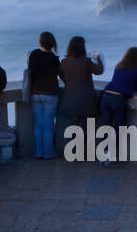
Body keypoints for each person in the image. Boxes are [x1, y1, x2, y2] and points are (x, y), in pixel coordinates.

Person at [58, 35, 104, 147]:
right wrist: (98, 58)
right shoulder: (86, 62)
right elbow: (99, 70)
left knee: (73, 127)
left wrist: (68, 82)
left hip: (70, 99)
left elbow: (60, 74)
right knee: (86, 128)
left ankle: (73, 151)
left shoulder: (64, 62)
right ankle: (84, 153)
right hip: (86, 101)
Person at [100, 47, 137, 164]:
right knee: (120, 128)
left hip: (106, 96)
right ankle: (111, 153)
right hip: (118, 98)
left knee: (107, 127)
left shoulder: (119, 65)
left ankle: (104, 153)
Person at [26, 31, 63, 159]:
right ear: (52, 43)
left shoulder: (33, 54)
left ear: (40, 42)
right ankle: (48, 153)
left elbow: (30, 71)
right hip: (50, 94)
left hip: (35, 93)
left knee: (38, 124)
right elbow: (61, 75)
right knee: (48, 124)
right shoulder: (53, 58)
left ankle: (38, 152)